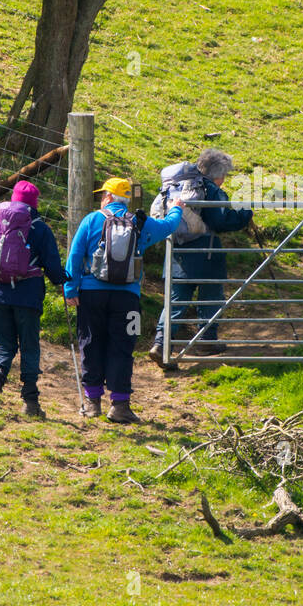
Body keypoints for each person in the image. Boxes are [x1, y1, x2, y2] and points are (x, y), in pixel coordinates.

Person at [64, 177, 185, 425]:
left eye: (102, 195)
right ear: (126, 200)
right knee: (123, 346)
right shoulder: (142, 223)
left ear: (108, 197)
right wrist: (177, 207)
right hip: (128, 298)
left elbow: (75, 256)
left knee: (90, 342)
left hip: (91, 294)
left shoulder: (91, 220)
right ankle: (120, 405)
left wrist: (70, 289)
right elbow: (169, 226)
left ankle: (92, 402)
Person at [149, 149, 254, 368]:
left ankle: (161, 343)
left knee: (176, 300)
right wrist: (245, 213)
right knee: (211, 296)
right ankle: (206, 340)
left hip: (176, 253)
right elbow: (222, 220)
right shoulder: (211, 190)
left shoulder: (177, 188)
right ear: (220, 174)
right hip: (206, 255)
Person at [0, 179, 67, 417]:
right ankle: (30, 401)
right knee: (29, 346)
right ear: (34, 204)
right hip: (27, 295)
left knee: (5, 343)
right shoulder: (40, 227)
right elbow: (52, 266)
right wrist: (62, 280)